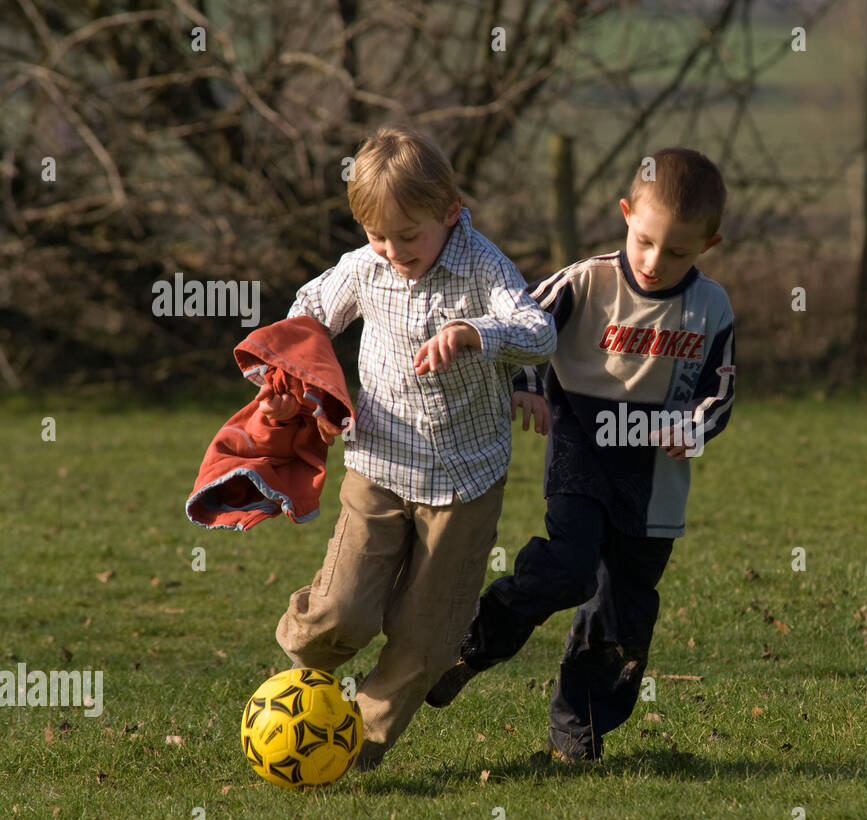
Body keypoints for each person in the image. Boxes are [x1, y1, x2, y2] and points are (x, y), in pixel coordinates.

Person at [427, 147, 735, 762]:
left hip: (653, 484)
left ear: (709, 243)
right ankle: (468, 646)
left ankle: (577, 733)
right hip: (581, 455)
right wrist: (522, 384)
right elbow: (522, 327)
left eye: (677, 252)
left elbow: (721, 393)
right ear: (626, 214)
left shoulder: (712, 308)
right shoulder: (586, 281)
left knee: (623, 612)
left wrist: (693, 428)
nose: (654, 261)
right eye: (645, 241)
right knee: (566, 569)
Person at [267, 126, 555, 770]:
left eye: (409, 235)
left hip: (466, 481)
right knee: (343, 611)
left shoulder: (484, 265)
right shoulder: (366, 267)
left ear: (451, 212)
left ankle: (349, 750)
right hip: (379, 463)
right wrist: (295, 374)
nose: (394, 251)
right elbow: (309, 312)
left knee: (425, 638)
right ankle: (299, 675)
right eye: (379, 236)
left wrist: (478, 333)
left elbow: (539, 331)